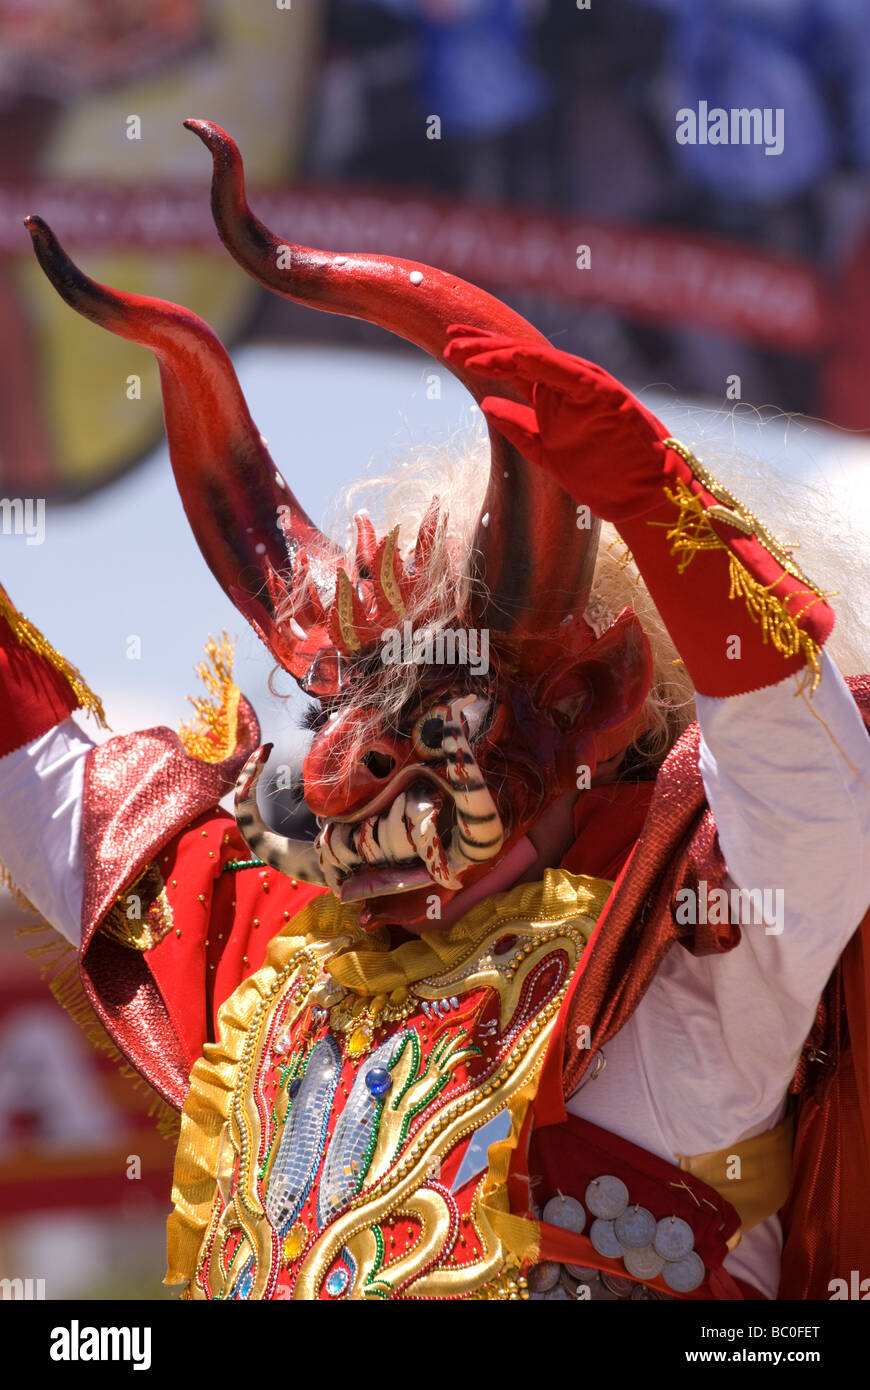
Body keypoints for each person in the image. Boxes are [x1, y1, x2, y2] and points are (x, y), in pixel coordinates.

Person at [2, 120, 868, 1301]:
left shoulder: (688, 965)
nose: (343, 786)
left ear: (592, 706)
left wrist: (628, 475)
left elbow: (801, 776)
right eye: (343, 719)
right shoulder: (267, 964)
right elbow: (38, 766)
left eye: (438, 731)